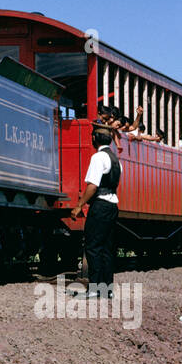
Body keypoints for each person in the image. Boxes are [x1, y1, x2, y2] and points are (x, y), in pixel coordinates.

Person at [69, 126, 121, 299]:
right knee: (107, 247)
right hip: (113, 205)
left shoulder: (98, 157)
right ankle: (107, 289)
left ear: (94, 138)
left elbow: (92, 186)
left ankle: (93, 289)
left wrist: (79, 205)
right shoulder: (116, 160)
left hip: (100, 205)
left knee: (93, 246)